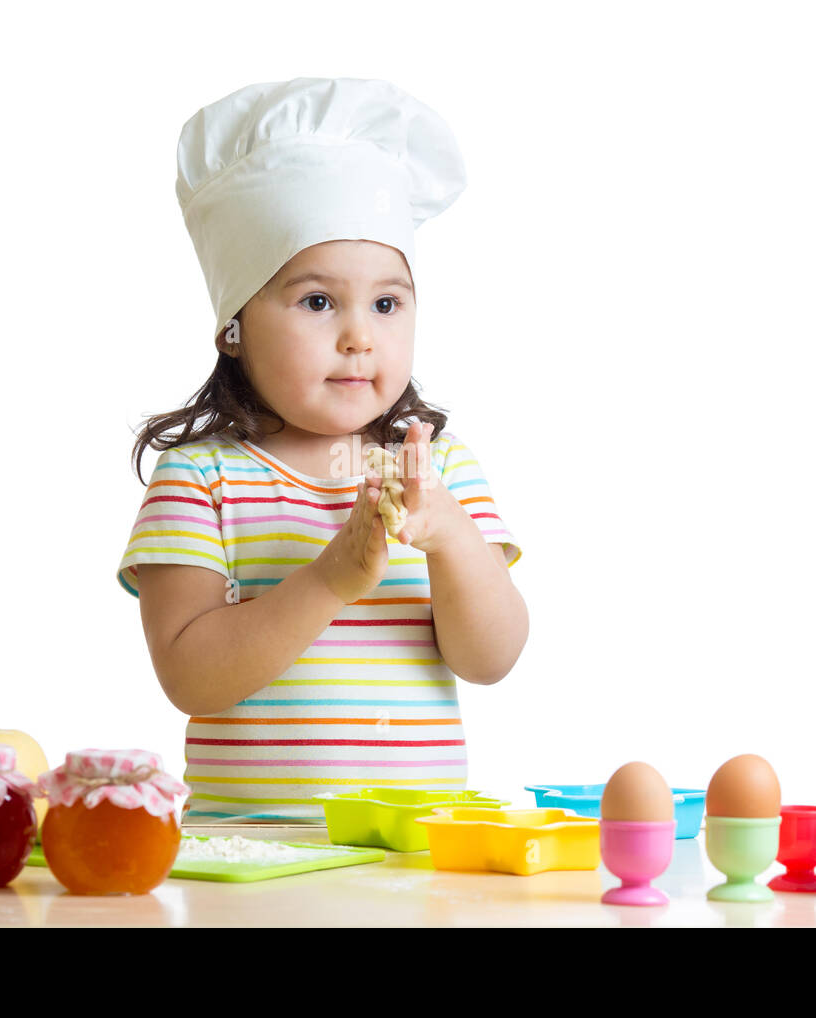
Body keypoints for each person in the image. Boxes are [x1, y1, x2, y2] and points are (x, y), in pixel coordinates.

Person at [116, 77, 528, 824]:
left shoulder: (436, 470)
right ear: (233, 326)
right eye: (316, 301)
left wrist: (450, 535)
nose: (359, 335)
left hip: (415, 855)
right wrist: (332, 578)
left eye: (386, 302)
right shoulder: (202, 477)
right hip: (252, 860)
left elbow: (490, 659)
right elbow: (189, 677)